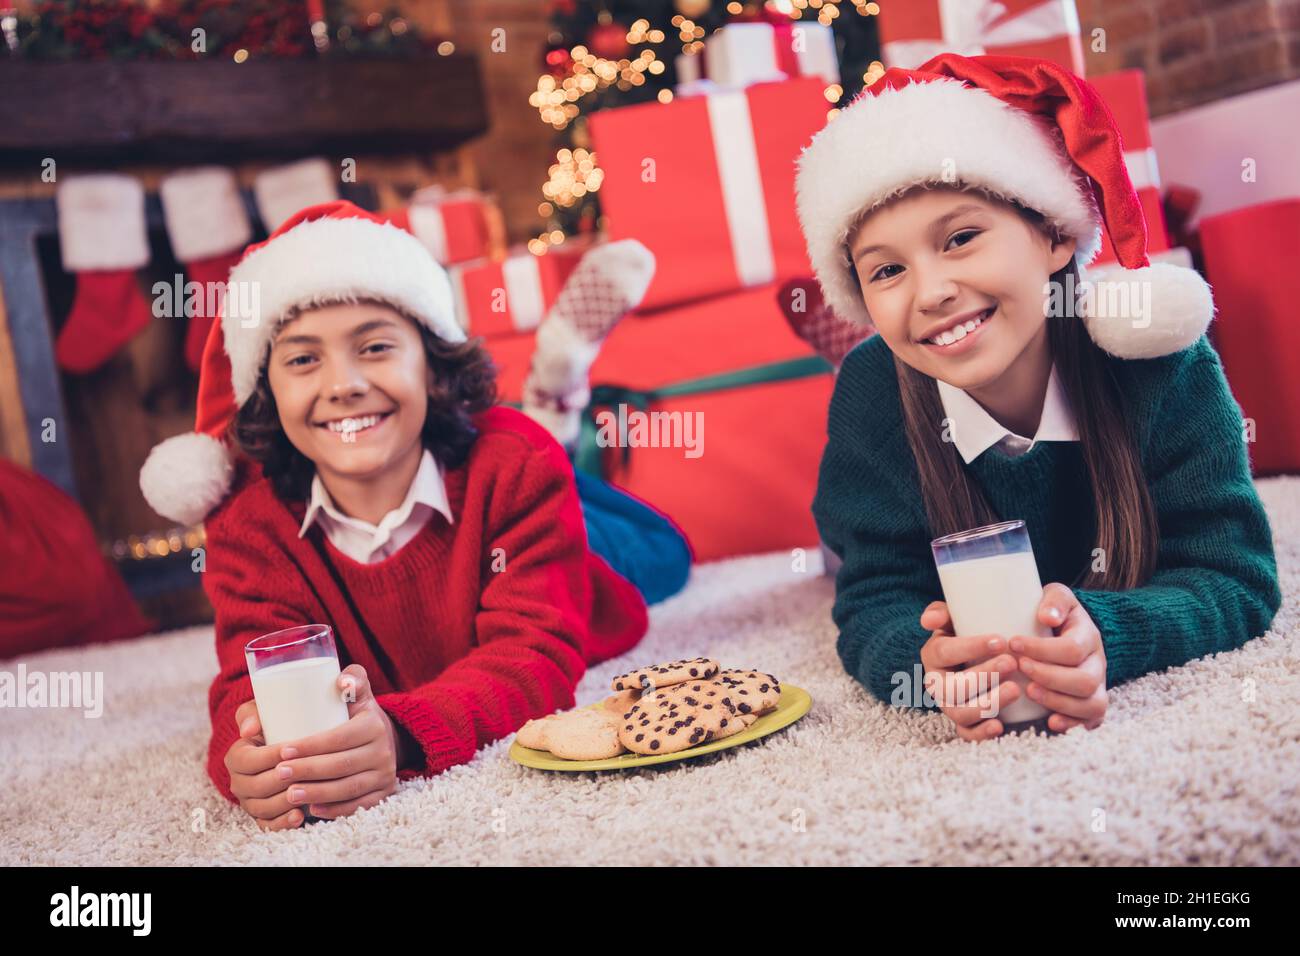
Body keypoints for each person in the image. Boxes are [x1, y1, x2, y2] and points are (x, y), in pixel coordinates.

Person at [140, 201, 690, 830]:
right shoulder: (249, 528)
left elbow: (532, 652)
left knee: (663, 553)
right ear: (267, 389)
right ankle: (552, 411)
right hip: (484, 485)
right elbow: (244, 682)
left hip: (553, 536)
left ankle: (554, 414)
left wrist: (400, 735)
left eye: (374, 346)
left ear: (432, 366)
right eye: (302, 359)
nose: (342, 384)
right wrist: (254, 758)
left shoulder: (513, 467)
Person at [793, 55, 1281, 741]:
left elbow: (1236, 577)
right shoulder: (873, 391)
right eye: (888, 270)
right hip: (872, 492)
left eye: (961, 238)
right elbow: (875, 598)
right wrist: (930, 666)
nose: (931, 291)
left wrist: (1113, 634)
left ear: (1054, 234)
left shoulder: (1156, 361)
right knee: (830, 557)